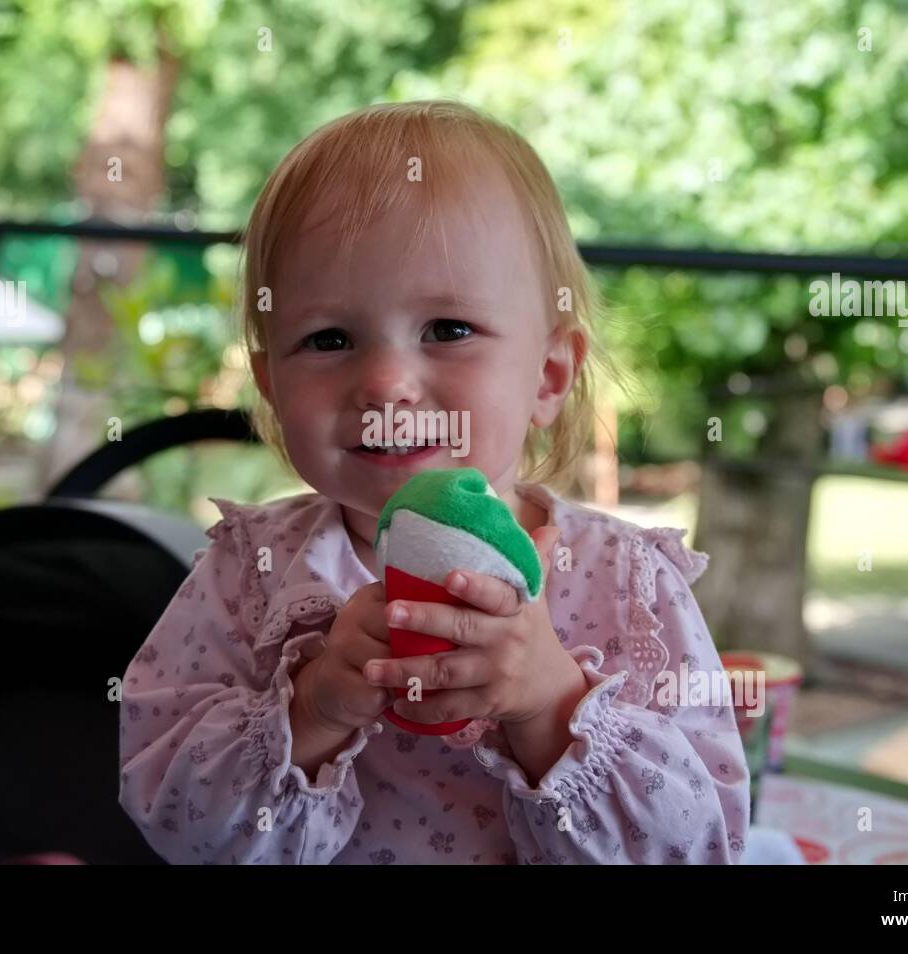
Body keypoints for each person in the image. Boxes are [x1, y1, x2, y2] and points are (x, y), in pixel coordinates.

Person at [118, 100, 749, 864]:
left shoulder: (629, 586)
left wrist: (551, 702)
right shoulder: (244, 575)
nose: (385, 383)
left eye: (448, 330)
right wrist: (311, 710)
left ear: (548, 375)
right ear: (272, 386)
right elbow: (177, 825)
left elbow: (701, 844)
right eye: (328, 339)